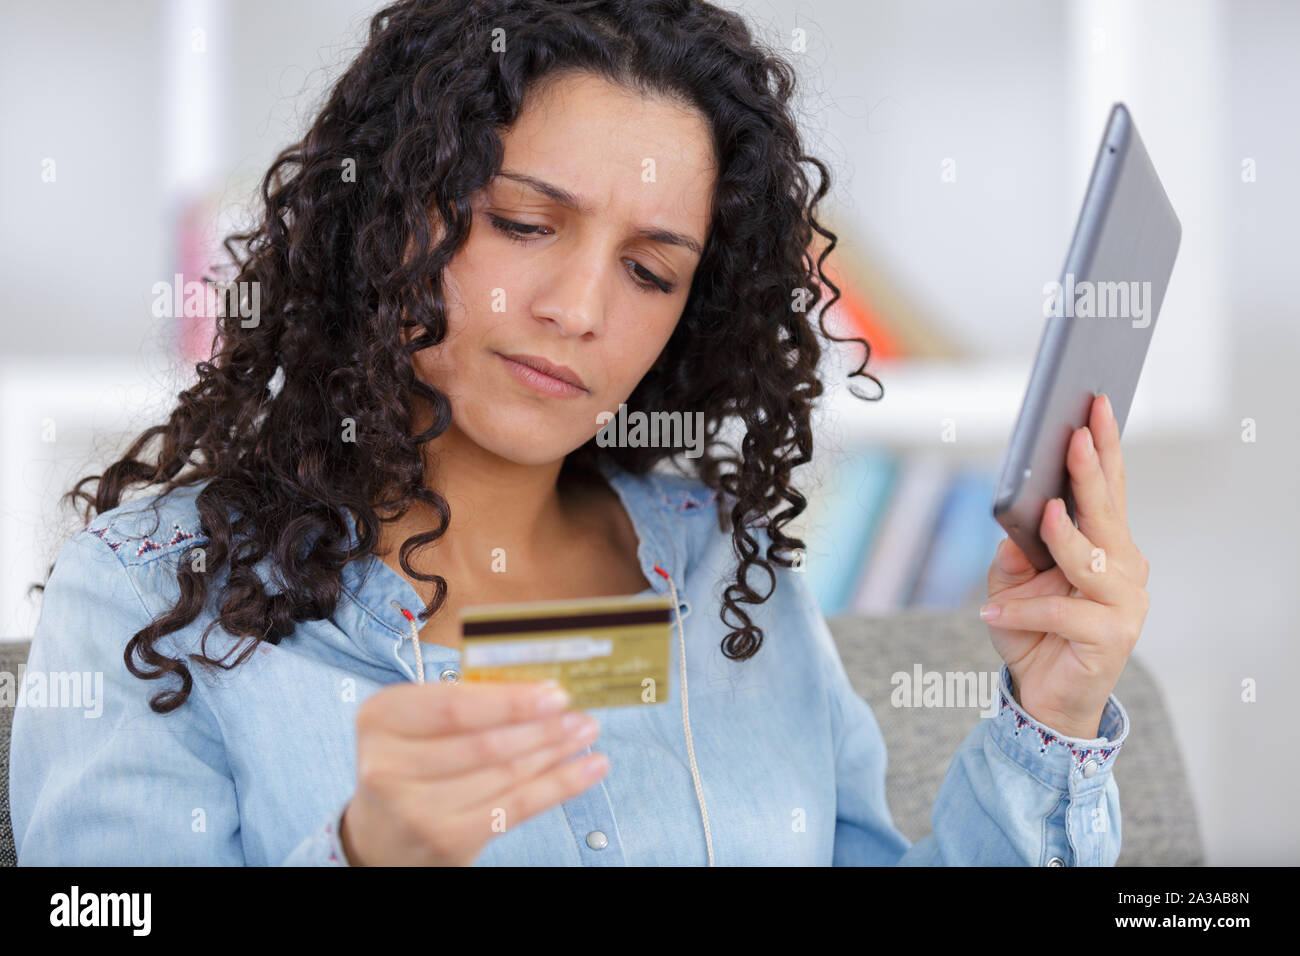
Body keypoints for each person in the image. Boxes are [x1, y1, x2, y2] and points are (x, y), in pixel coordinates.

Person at [9, 0, 1148, 866]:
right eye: (521, 222)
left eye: (651, 270)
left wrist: (1047, 715)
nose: (580, 309)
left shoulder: (724, 568)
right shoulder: (148, 594)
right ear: (392, 211)